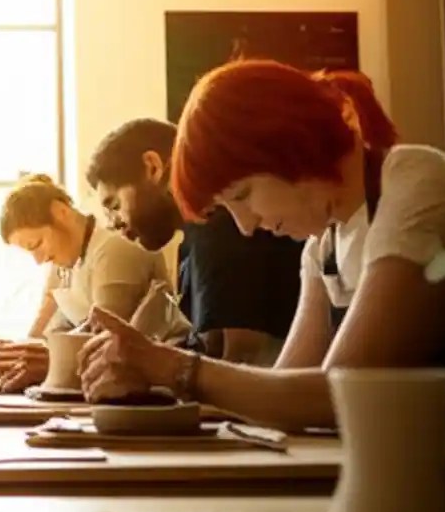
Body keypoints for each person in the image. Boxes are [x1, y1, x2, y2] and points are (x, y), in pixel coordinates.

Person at [78, 61, 445, 430]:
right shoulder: (322, 246)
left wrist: (170, 367)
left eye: (242, 195)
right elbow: (282, 395)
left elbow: (337, 396)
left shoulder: (416, 187)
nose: (245, 226)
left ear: (287, 145)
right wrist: (149, 382)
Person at [86, 118, 303, 364]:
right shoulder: (196, 237)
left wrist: (146, 362)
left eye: (115, 205)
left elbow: (239, 360)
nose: (114, 224)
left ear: (153, 167)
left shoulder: (217, 224)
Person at [0, 174, 182, 391]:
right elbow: (51, 338)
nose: (39, 260)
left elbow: (105, 344)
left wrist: (31, 356)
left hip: (164, 383)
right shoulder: (67, 264)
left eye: (37, 244)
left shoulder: (114, 249)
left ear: (61, 212)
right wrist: (8, 354)